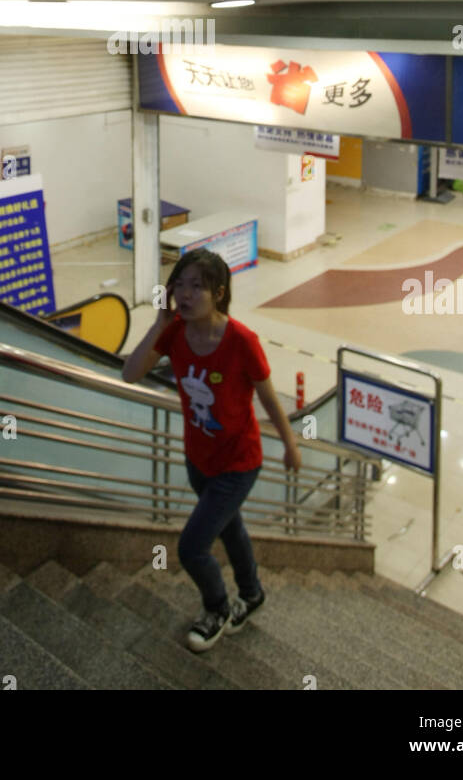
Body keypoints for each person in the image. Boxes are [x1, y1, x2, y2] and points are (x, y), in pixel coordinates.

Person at [122, 247, 302, 653]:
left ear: (219, 293)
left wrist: (290, 444)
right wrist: (158, 325)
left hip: (238, 463)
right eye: (180, 285)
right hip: (198, 459)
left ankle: (217, 608)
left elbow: (268, 397)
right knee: (229, 527)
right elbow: (130, 373)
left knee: (191, 548)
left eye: (197, 286)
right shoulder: (174, 331)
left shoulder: (241, 341)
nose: (185, 294)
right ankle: (252, 593)